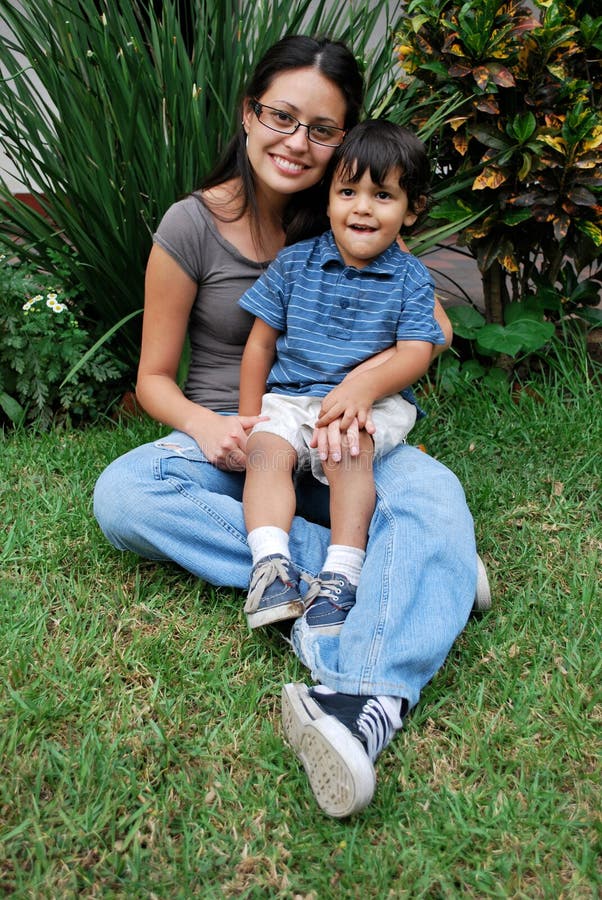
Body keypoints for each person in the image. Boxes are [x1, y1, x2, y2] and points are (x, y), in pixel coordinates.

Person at [93, 34, 482, 819]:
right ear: (248, 114)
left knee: (436, 498)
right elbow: (152, 380)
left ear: (346, 142)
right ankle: (399, 573)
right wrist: (210, 425)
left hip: (342, 434)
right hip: (242, 441)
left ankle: (352, 695)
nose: (296, 142)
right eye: (281, 116)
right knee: (126, 493)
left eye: (322, 128)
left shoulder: (351, 205)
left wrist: (361, 388)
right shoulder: (191, 226)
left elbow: (431, 327)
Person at [239, 119, 446, 639]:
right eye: (348, 191)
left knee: (348, 451)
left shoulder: (411, 277)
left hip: (371, 402)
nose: (362, 207)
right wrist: (250, 415)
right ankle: (271, 566)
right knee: (265, 452)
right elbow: (260, 344)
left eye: (383, 195)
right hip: (292, 397)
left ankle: (341, 574)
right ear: (328, 197)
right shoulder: (294, 264)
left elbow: (417, 352)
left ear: (411, 209)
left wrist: (362, 389)